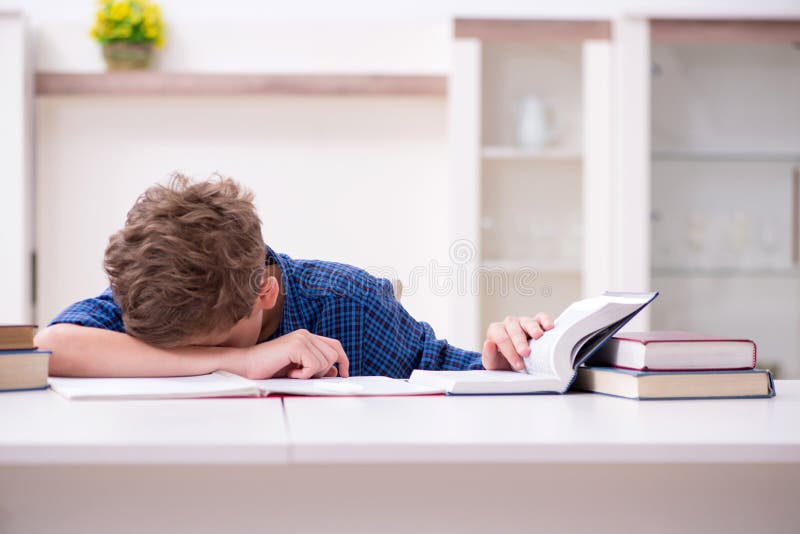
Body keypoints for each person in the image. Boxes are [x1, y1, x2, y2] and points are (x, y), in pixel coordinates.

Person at [36, 174, 554, 379]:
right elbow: (52, 345)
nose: (200, 355)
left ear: (265, 289)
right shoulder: (161, 294)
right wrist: (241, 358)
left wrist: (510, 360)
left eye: (211, 344)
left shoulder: (348, 303)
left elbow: (448, 375)